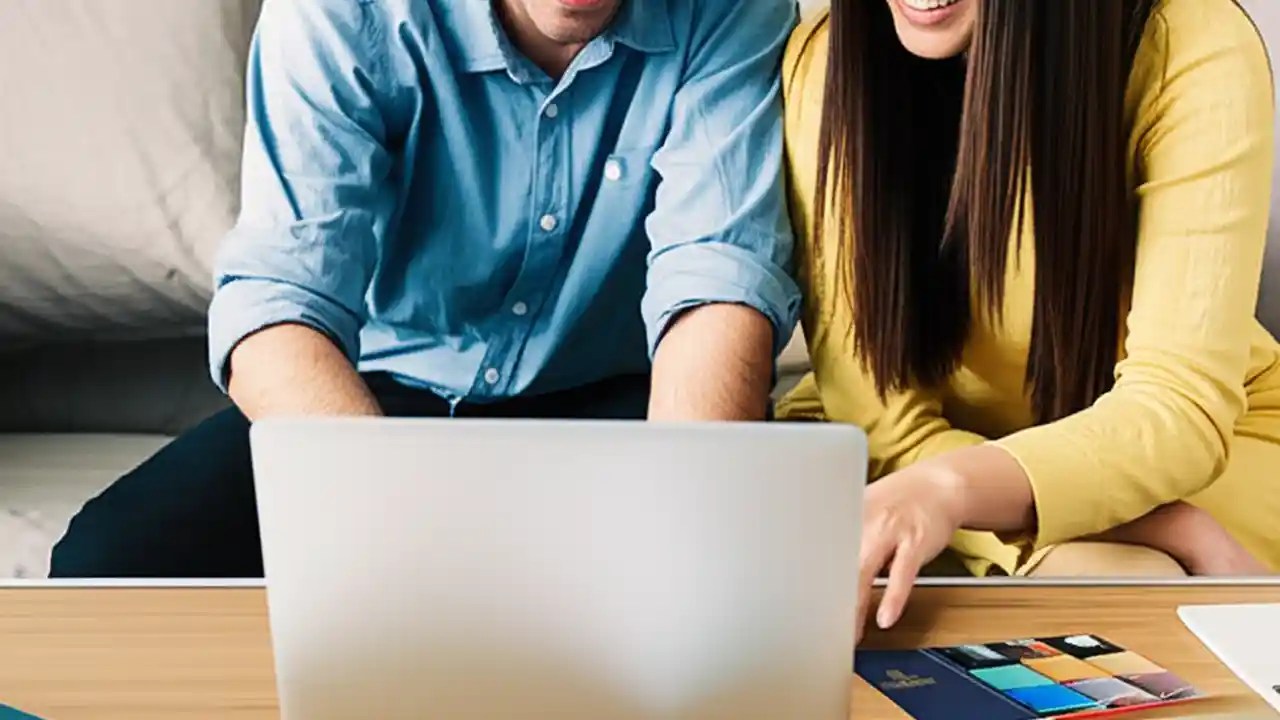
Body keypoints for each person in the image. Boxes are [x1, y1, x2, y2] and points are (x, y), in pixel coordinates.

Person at [50, 0, 800, 577]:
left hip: (616, 402)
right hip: (374, 402)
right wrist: (416, 530)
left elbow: (717, 277)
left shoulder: (734, 10)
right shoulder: (345, 12)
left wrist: (685, 532)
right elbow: (278, 306)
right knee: (105, 558)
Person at [778, 0, 1279, 641]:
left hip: (1194, 460)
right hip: (914, 466)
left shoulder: (1190, 43)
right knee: (1111, 578)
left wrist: (951, 490)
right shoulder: (828, 60)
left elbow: (1176, 409)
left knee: (1121, 595)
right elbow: (885, 423)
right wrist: (1167, 526)